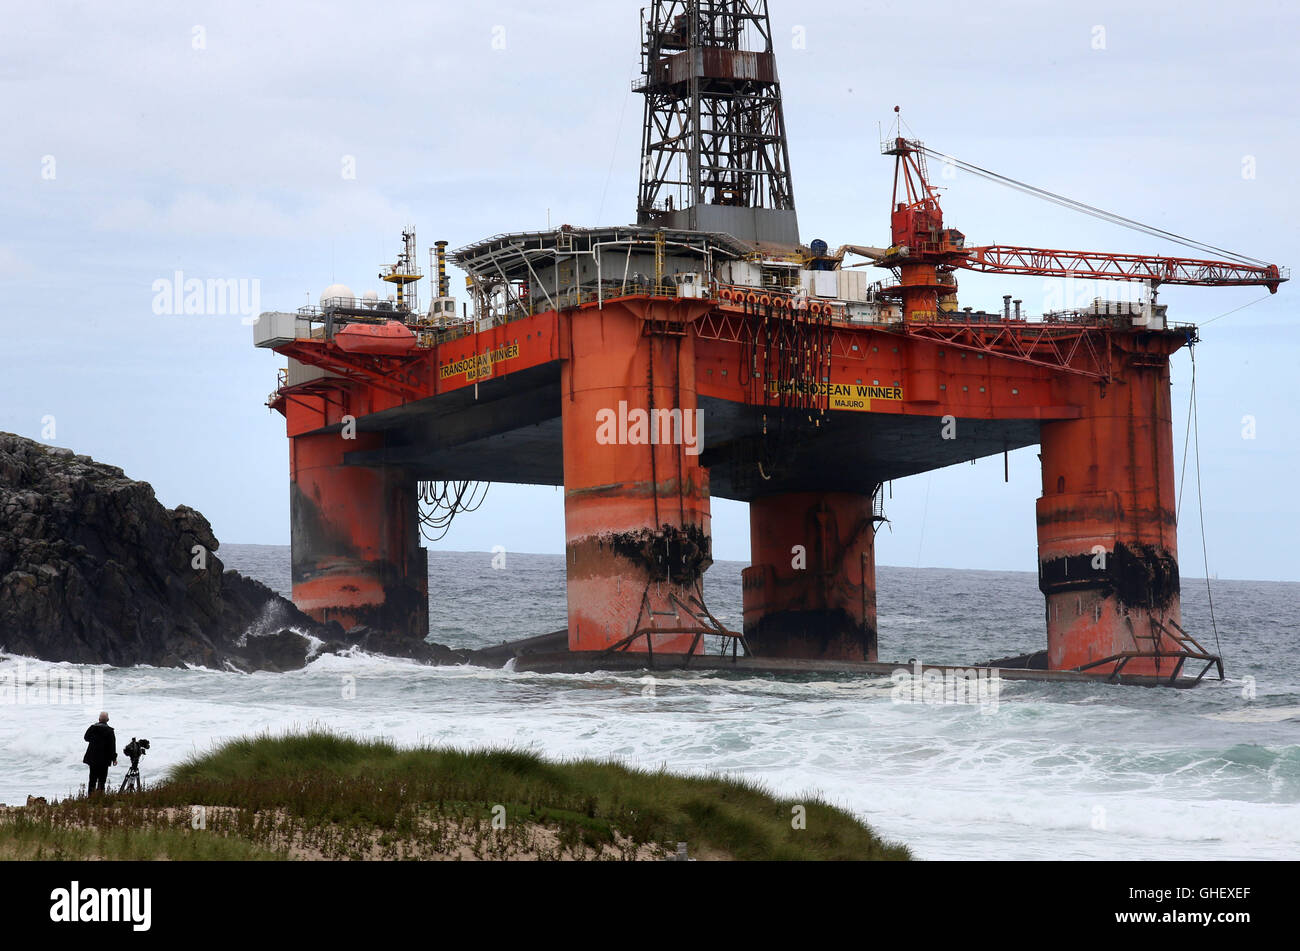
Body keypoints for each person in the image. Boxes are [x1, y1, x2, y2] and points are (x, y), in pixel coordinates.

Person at [83, 711, 117, 794]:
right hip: (104, 759)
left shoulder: (92, 728)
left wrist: (94, 740)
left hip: (93, 758)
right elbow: (112, 746)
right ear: (108, 720)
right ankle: (100, 796)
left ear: (99, 719)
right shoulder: (109, 731)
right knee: (102, 779)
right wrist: (114, 758)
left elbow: (86, 738)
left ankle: (91, 797)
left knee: (92, 779)